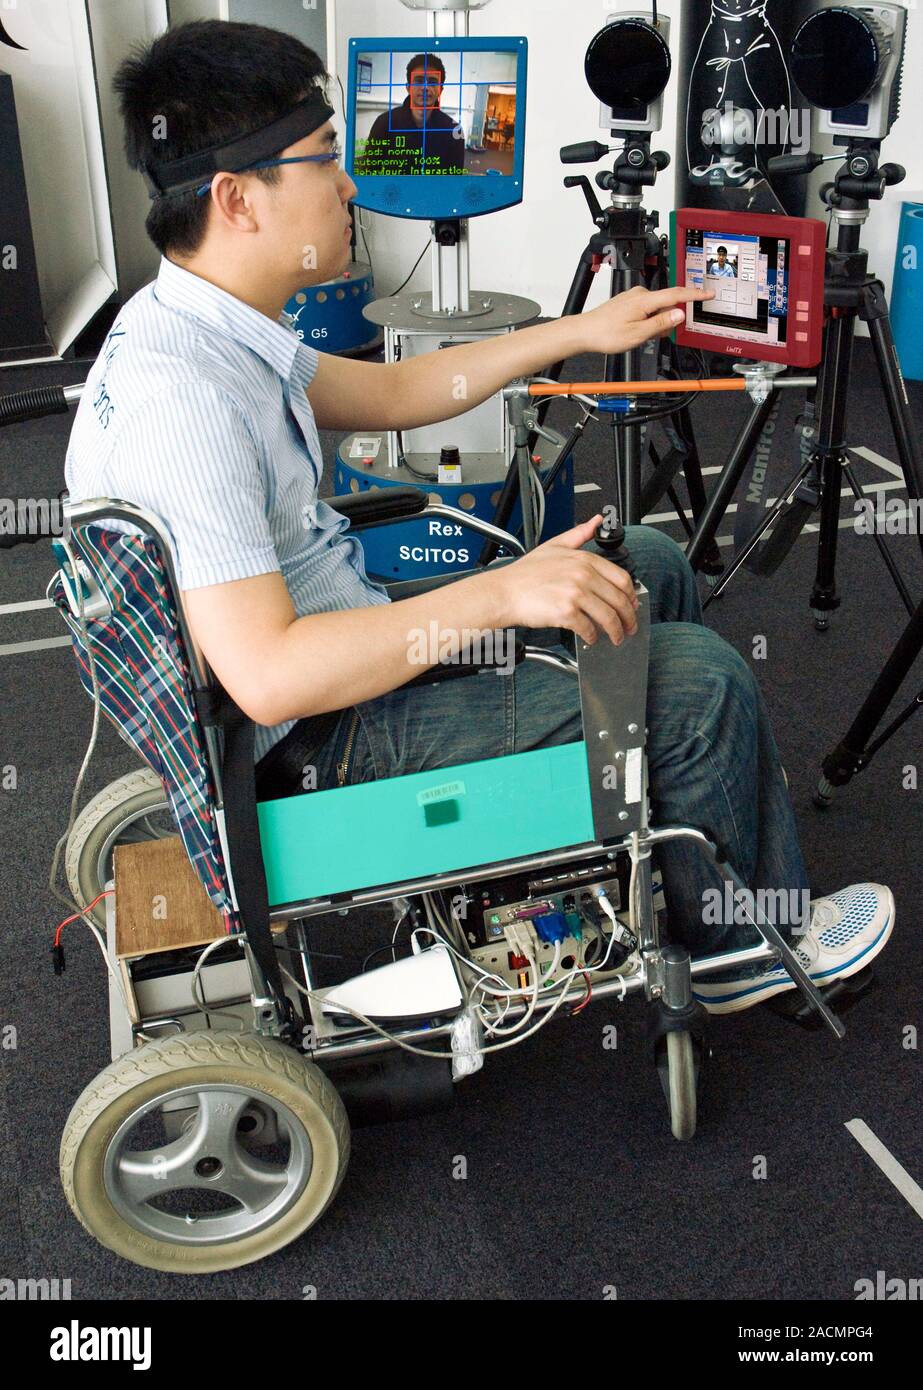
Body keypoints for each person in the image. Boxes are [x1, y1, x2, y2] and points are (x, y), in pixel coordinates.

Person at [64, 20, 893, 1013]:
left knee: (646, 567)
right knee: (702, 685)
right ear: (237, 199)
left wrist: (574, 333)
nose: (348, 186)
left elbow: (393, 393)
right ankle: (740, 952)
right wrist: (504, 587)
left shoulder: (202, 321)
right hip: (322, 730)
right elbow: (271, 671)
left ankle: (668, 851)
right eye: (324, 158)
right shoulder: (183, 399)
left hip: (343, 643)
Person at [359, 52, 465, 176]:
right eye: (419, 81)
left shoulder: (454, 131)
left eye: (432, 82)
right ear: (408, 87)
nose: (425, 87)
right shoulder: (384, 123)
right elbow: (368, 174)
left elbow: (454, 183)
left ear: (440, 89)